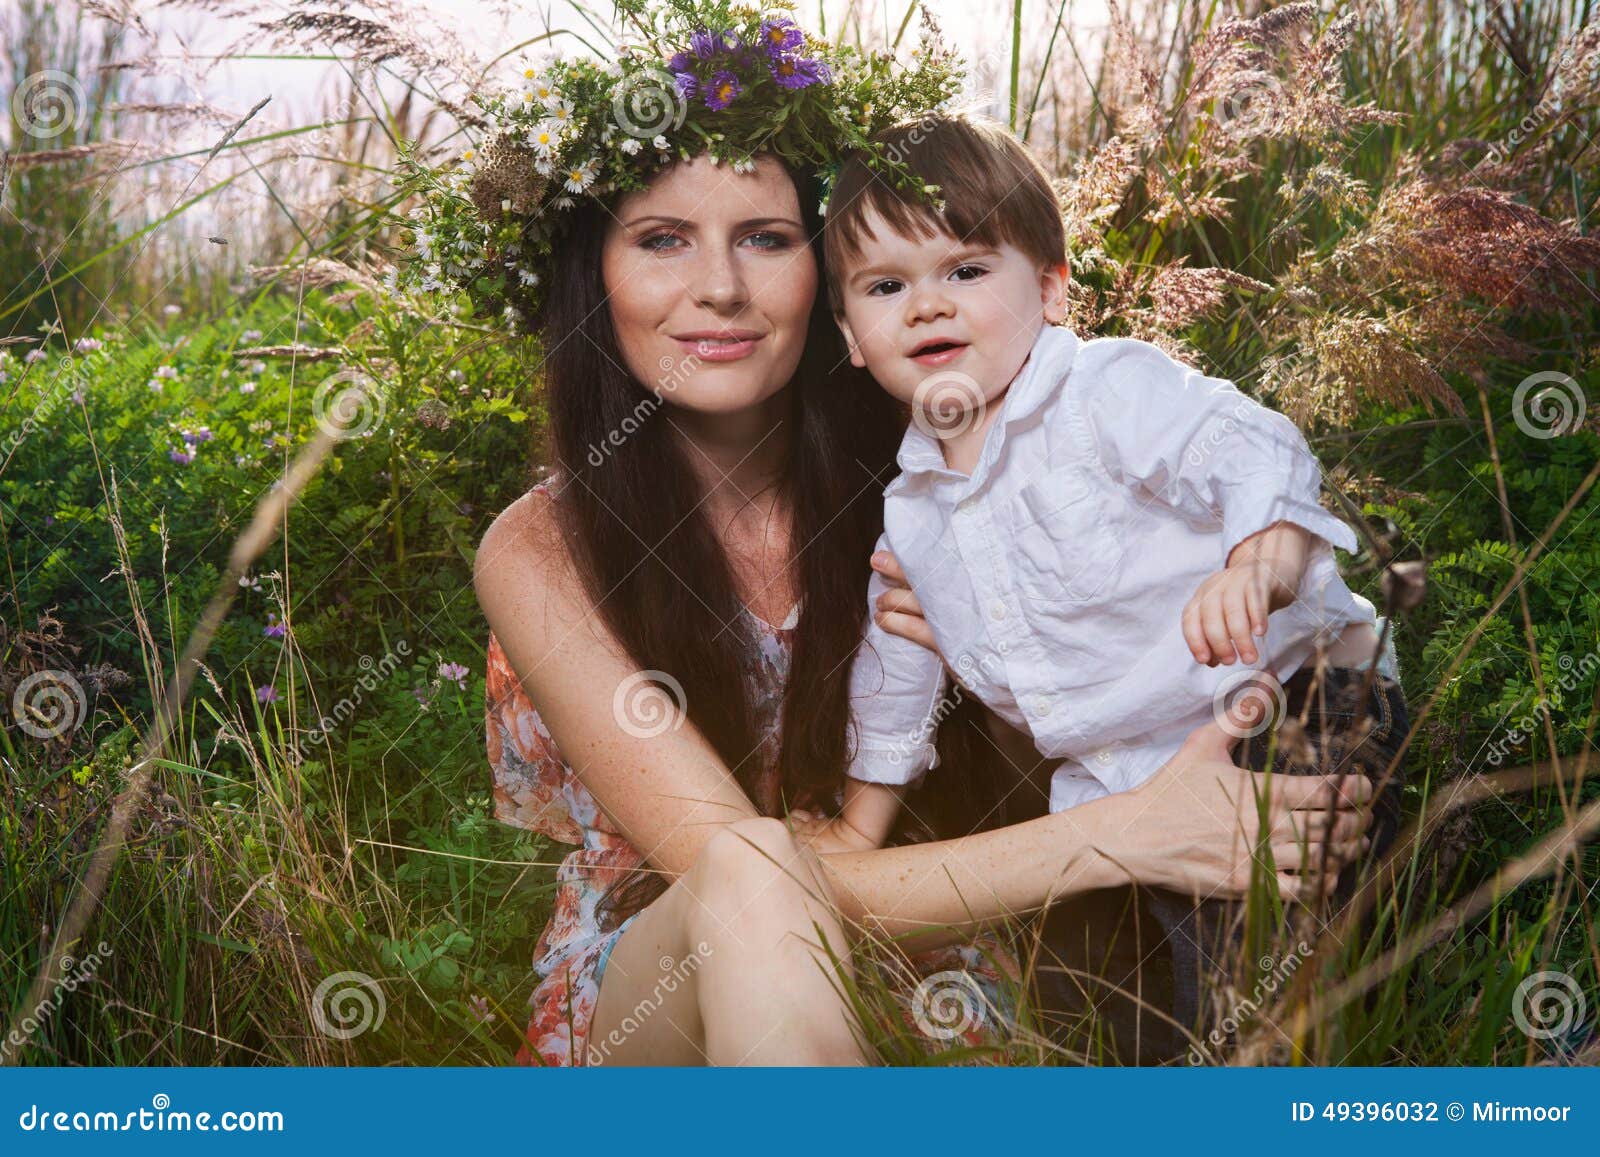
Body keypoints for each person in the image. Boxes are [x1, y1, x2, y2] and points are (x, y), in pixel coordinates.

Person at [425, 4, 1373, 1067]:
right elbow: (760, 888)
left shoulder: (946, 466)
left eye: (768, 238)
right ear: (590, 280)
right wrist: (1134, 828)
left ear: (825, 286)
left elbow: (1139, 601)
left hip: (950, 936)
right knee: (747, 868)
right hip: (668, 988)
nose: (721, 287)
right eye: (660, 240)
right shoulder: (545, 545)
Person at [802, 112, 1409, 1060]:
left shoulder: (1105, 394)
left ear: (1048, 286)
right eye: (886, 287)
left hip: (1289, 697)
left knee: (1265, 951)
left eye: (964, 270)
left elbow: (1248, 446)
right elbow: (897, 675)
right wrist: (859, 822)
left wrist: (1261, 561)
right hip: (1109, 778)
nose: (926, 305)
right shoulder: (912, 514)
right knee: (1081, 988)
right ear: (849, 333)